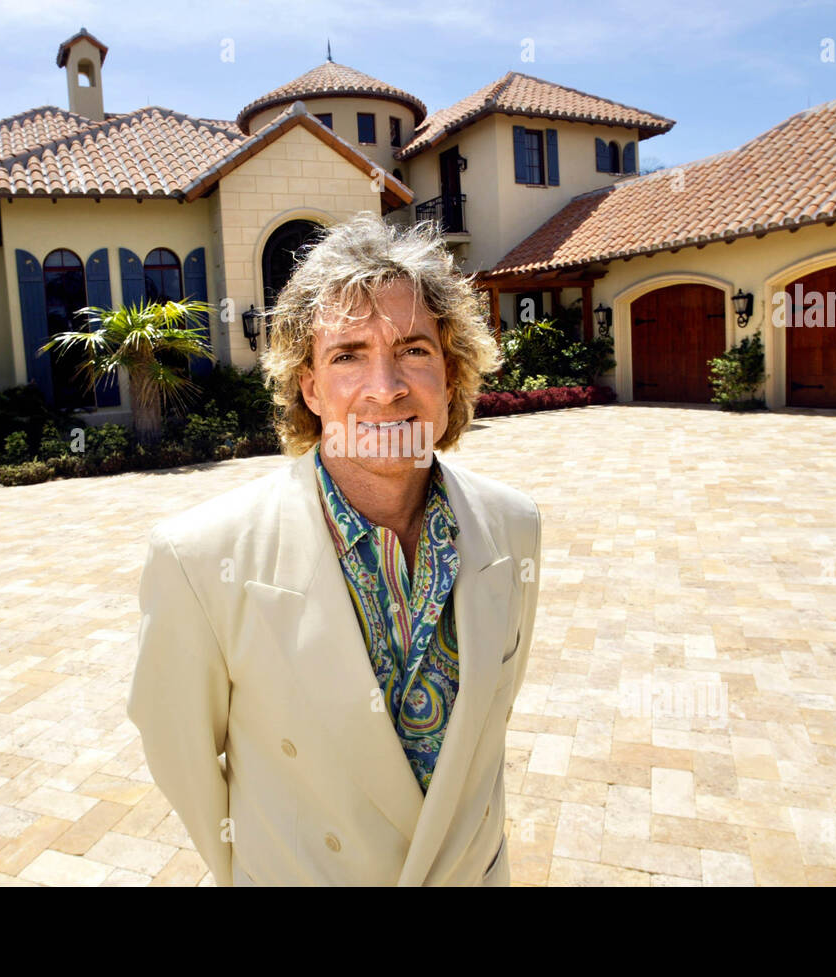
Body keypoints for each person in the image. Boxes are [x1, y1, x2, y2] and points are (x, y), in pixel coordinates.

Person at [126, 212, 542, 885]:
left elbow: (486, 732)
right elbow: (181, 756)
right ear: (310, 386)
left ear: (450, 370)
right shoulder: (200, 558)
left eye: (414, 348)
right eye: (348, 354)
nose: (386, 386)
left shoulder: (514, 525)